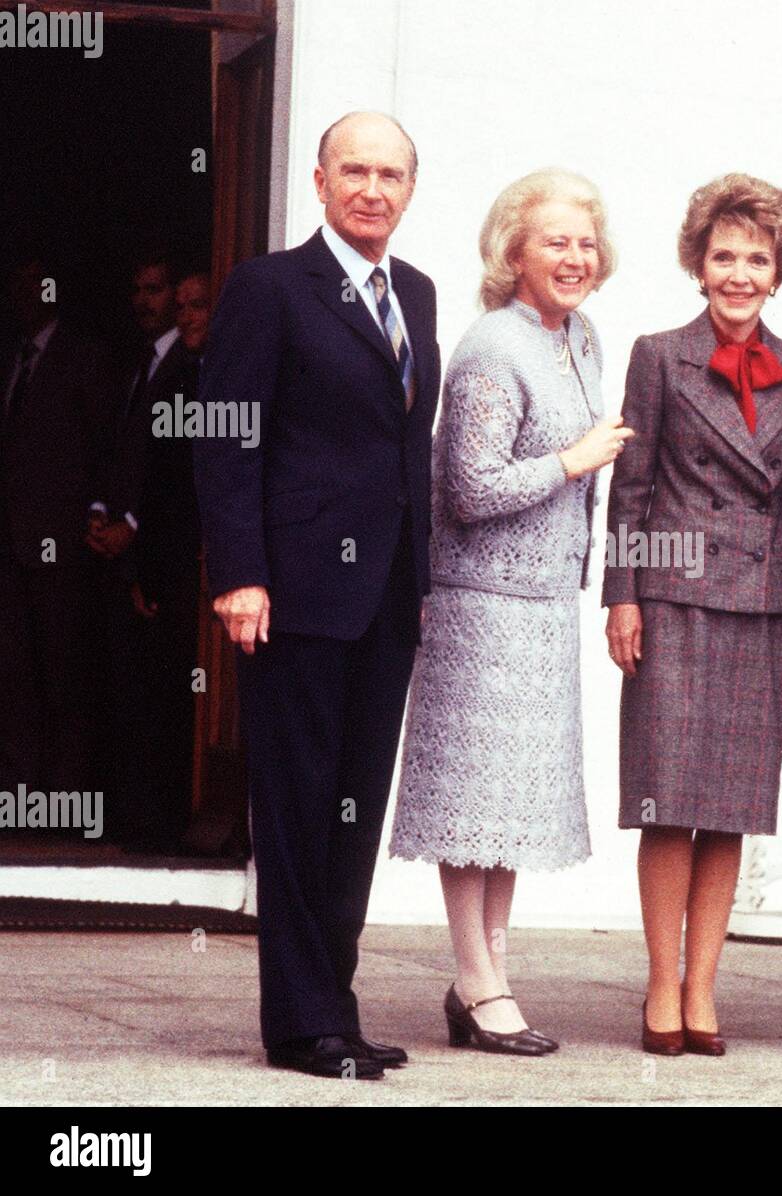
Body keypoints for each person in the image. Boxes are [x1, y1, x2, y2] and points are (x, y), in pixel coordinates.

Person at [192, 111, 440, 1080]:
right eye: (355, 171)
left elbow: (402, 446)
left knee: (352, 805)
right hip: (293, 588)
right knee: (294, 804)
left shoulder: (413, 292)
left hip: (385, 593)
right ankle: (299, 1024)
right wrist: (239, 571)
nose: (372, 189)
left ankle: (335, 1002)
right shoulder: (269, 287)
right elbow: (226, 431)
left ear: (409, 189)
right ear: (319, 181)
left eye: (390, 174)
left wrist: (416, 574)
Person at [391, 168, 629, 1056]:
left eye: (585, 241)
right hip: (480, 605)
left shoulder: (582, 336)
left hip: (540, 606)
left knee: (510, 808)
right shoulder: (492, 344)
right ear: (514, 252)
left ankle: (488, 973)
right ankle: (477, 979)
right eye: (555, 241)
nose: (574, 257)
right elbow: (467, 487)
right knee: (473, 801)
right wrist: (574, 461)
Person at [603, 174, 782, 1057]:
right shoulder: (658, 355)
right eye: (723, 256)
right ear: (698, 265)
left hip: (761, 606)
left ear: (779, 272)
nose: (738, 273)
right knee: (668, 801)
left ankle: (703, 989)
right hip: (674, 596)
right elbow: (633, 485)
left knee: (730, 806)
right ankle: (660, 984)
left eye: (756, 259)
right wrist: (622, 595)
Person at [91, 252, 200, 852]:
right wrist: (101, 513)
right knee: (127, 693)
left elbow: (179, 475)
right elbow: (121, 455)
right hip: (128, 553)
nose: (149, 303)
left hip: (168, 559)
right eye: (143, 291)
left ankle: (160, 831)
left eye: (156, 290)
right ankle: (131, 824)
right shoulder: (138, 366)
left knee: (164, 696)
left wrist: (136, 526)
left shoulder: (192, 368)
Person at [0, 254, 115, 800]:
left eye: (34, 284)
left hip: (60, 546)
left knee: (64, 675)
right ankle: (22, 797)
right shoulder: (12, 361)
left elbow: (104, 447)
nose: (25, 295)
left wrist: (96, 512)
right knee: (15, 673)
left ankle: (66, 803)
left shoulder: (83, 357)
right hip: (11, 549)